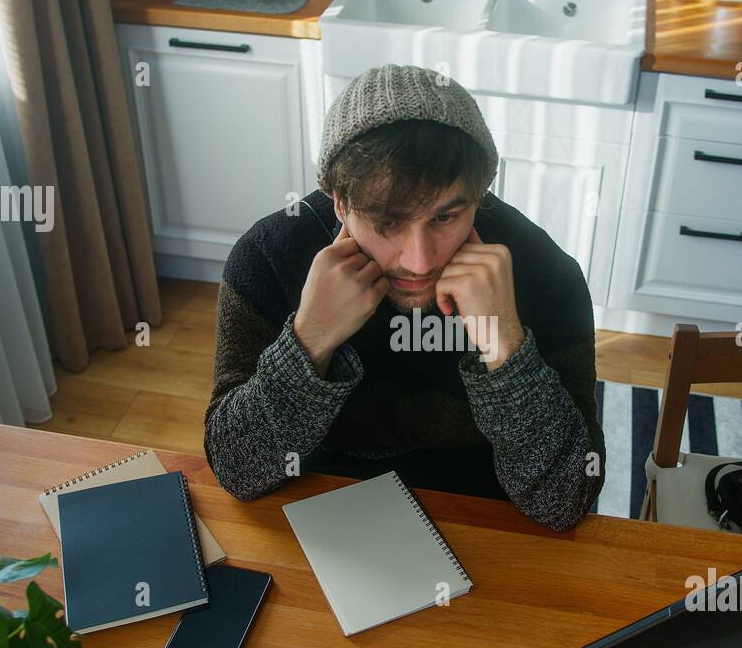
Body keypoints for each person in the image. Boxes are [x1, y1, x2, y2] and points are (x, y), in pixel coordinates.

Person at [203, 63, 605, 531]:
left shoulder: (547, 274)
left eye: (445, 217)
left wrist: (505, 348)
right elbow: (237, 469)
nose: (418, 261)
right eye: (387, 222)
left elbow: (566, 498)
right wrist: (309, 338)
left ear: (479, 195)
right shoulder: (268, 257)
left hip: (490, 504)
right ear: (338, 201)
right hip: (317, 495)